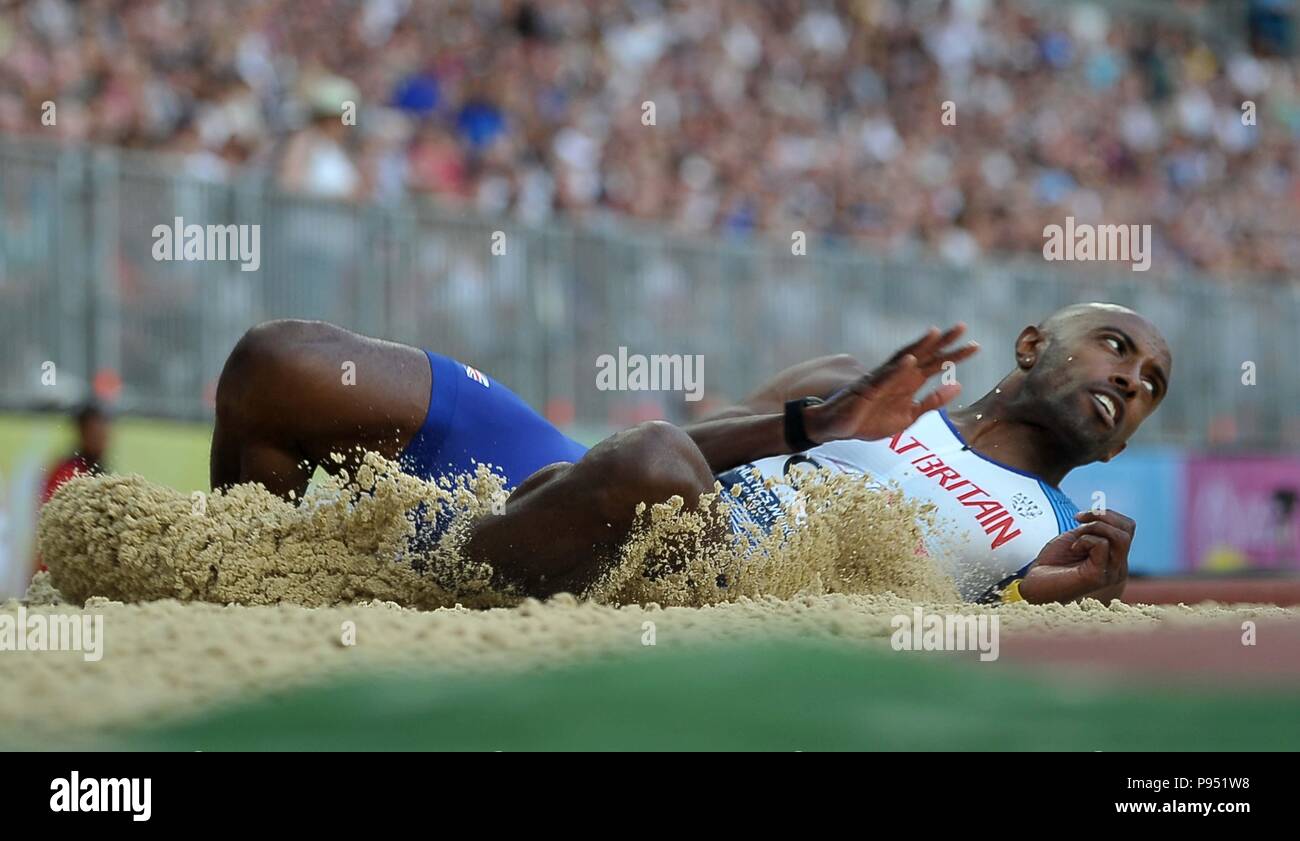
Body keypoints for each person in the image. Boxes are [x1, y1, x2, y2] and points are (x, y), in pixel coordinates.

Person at [210, 303, 1170, 605]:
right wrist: (820, 423)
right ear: (1034, 345)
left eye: (1150, 386)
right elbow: (663, 443)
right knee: (281, 363)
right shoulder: (853, 381)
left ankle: (410, 580)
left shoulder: (1057, 543)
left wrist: (1048, 598)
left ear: (1125, 439)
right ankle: (228, 582)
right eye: (1117, 348)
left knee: (658, 475)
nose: (1131, 380)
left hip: (683, 573)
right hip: (581, 491)